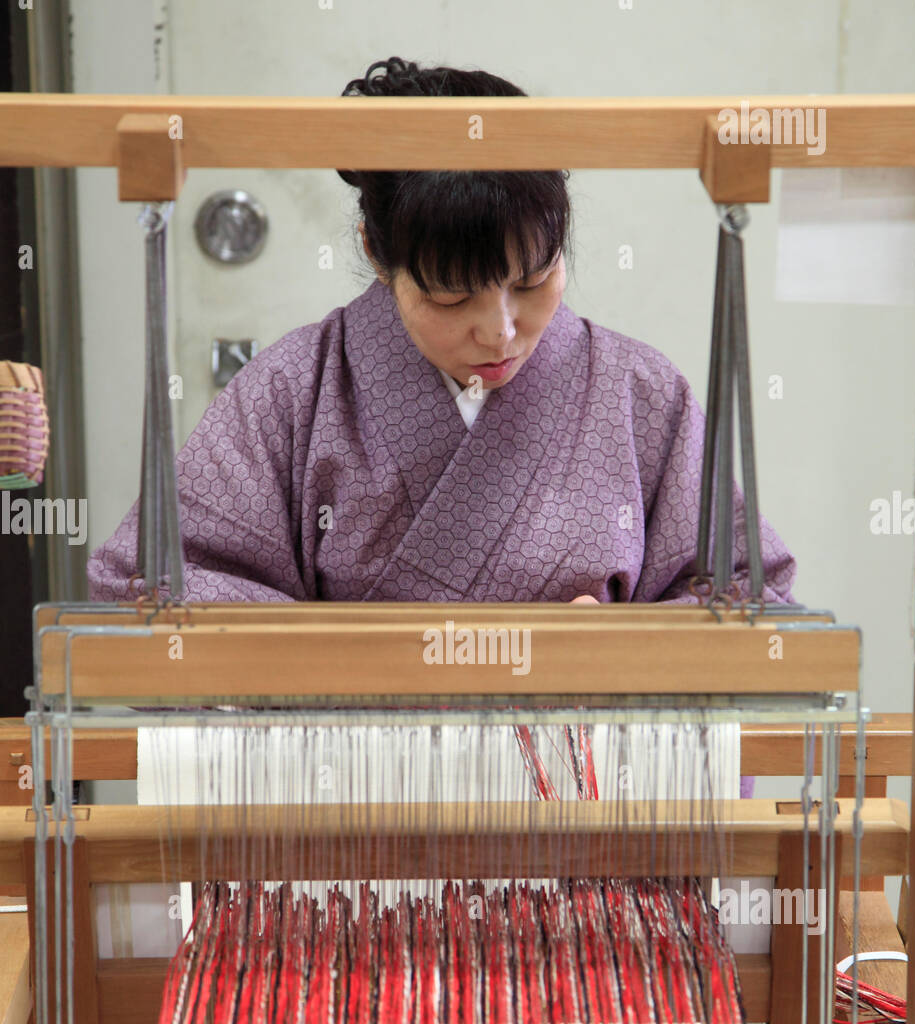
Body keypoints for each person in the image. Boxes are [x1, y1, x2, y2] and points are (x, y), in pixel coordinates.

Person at [87, 55, 796, 614]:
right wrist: (350, 661)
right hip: (355, 785)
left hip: (579, 786)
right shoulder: (292, 391)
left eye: (532, 281)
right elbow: (146, 589)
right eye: (452, 296)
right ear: (375, 252)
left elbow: (749, 596)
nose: (501, 331)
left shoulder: (639, 394)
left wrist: (617, 652)